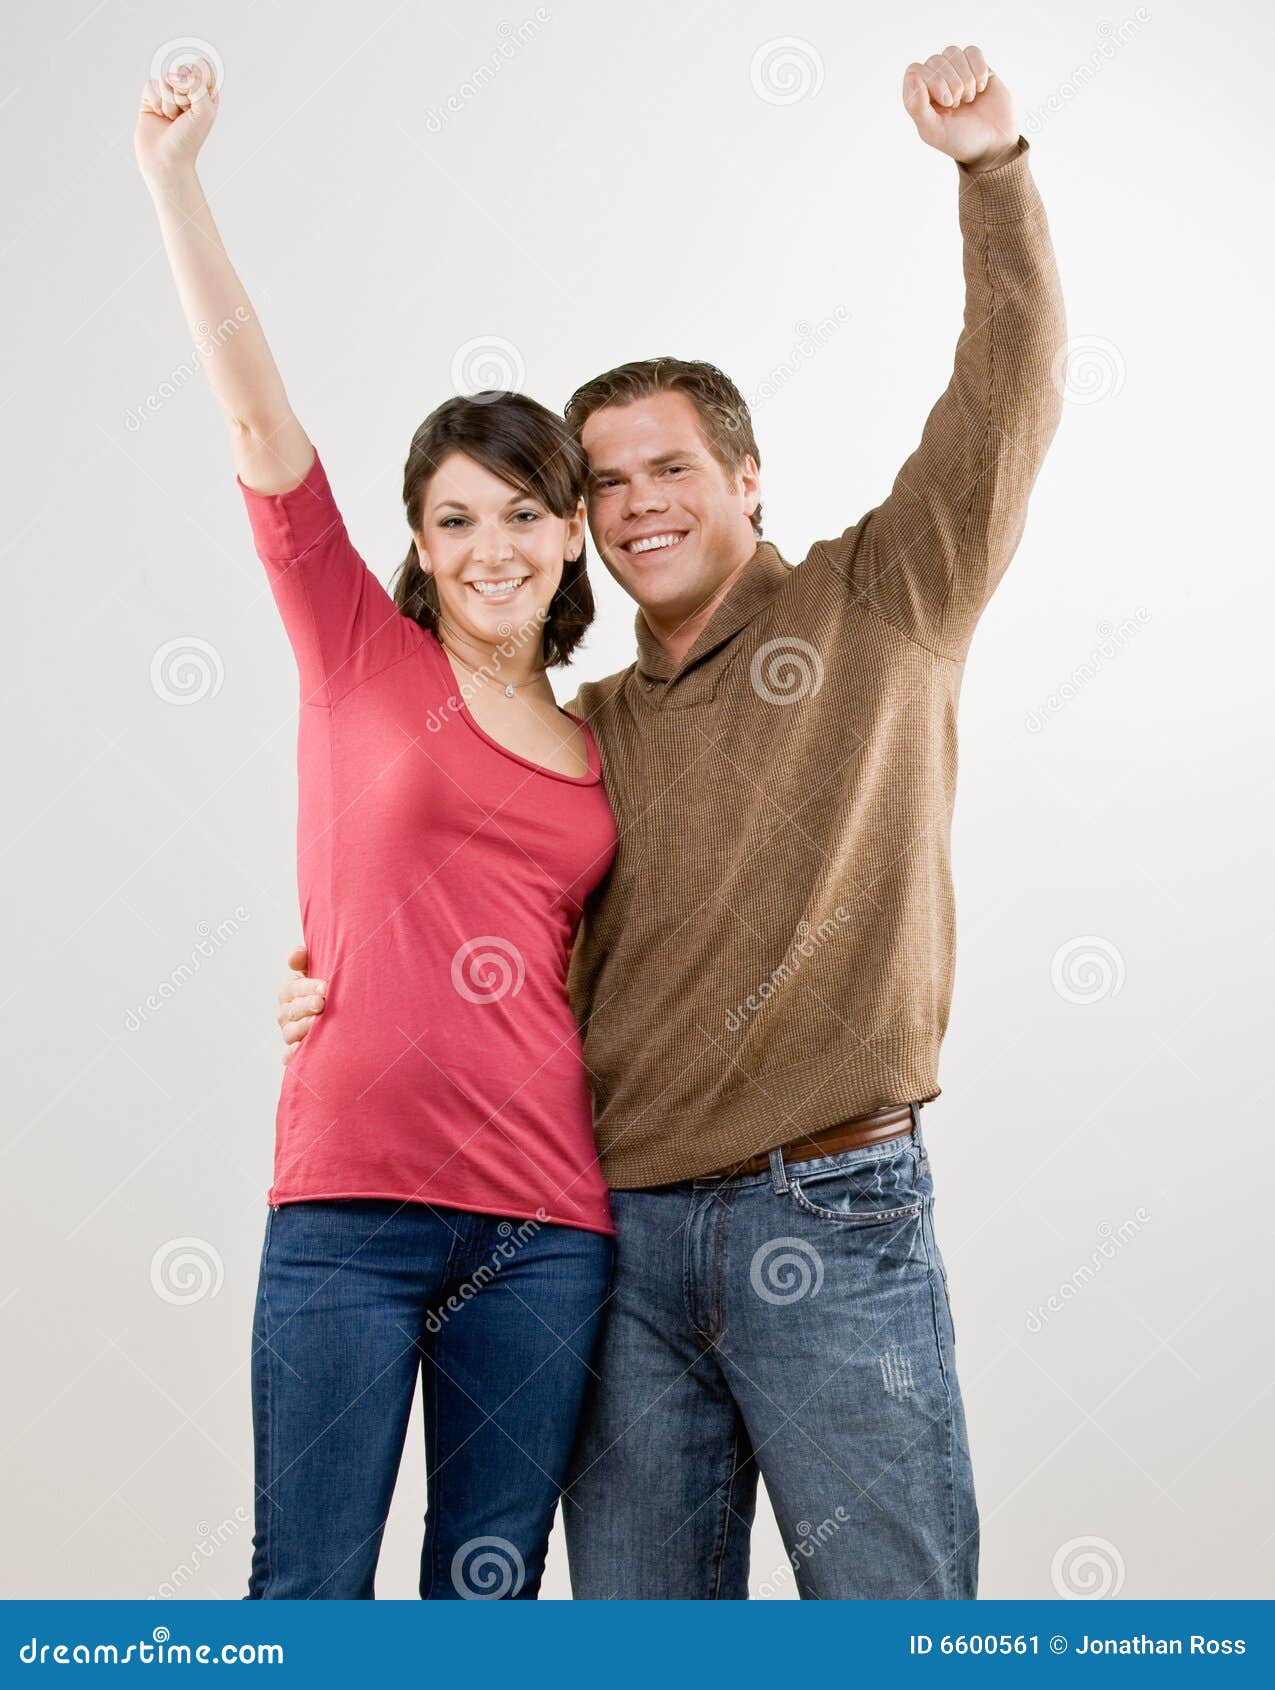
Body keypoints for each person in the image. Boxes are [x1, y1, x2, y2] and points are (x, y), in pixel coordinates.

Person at [279, 43, 1067, 1598]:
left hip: (835, 1215)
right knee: (643, 1638)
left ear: (749, 479)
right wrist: (341, 980)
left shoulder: (883, 602)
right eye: (608, 482)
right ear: (577, 524)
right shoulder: (585, 740)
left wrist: (995, 172)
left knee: (902, 1627)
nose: (641, 502)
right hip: (612, 1240)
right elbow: (482, 930)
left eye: (674, 469)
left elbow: (1007, 394)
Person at [136, 58, 619, 1599]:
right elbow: (253, 403)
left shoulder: (615, 747)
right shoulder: (356, 648)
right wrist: (174, 179)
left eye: (524, 512)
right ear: (417, 540)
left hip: (547, 1224)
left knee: (483, 1602)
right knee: (309, 1590)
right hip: (344, 1207)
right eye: (456, 517)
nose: (492, 546)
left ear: (572, 534)